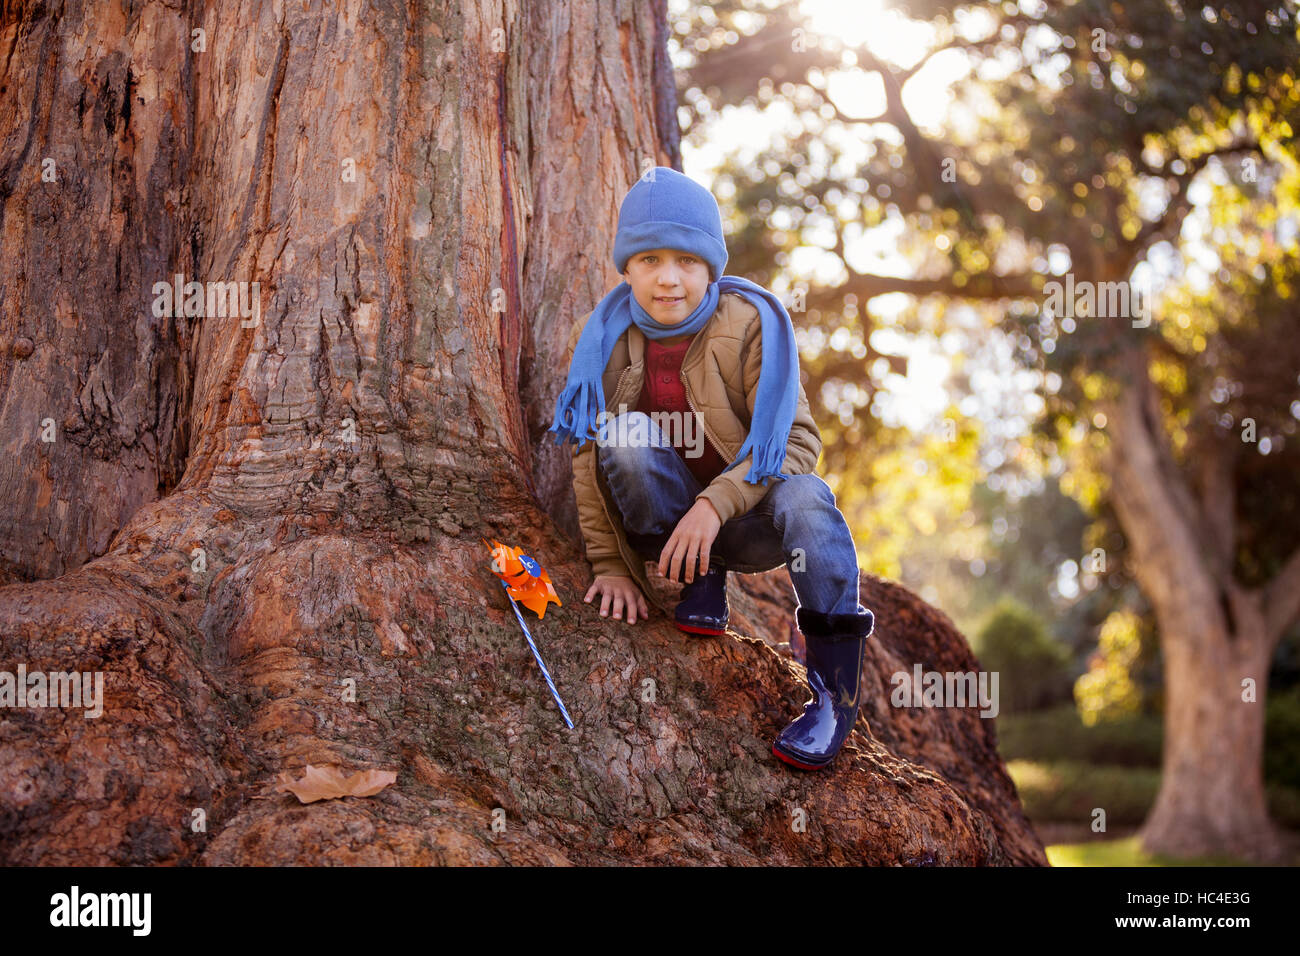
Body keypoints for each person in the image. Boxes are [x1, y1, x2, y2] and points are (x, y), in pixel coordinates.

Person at [548, 165, 876, 771]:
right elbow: (587, 455)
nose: (667, 278)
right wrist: (609, 565)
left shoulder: (753, 325)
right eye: (648, 260)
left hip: (747, 522)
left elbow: (797, 443)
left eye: (685, 261)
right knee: (620, 434)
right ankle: (700, 580)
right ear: (627, 267)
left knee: (806, 497)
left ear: (711, 268)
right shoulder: (603, 337)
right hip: (664, 525)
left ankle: (835, 695)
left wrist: (713, 504)